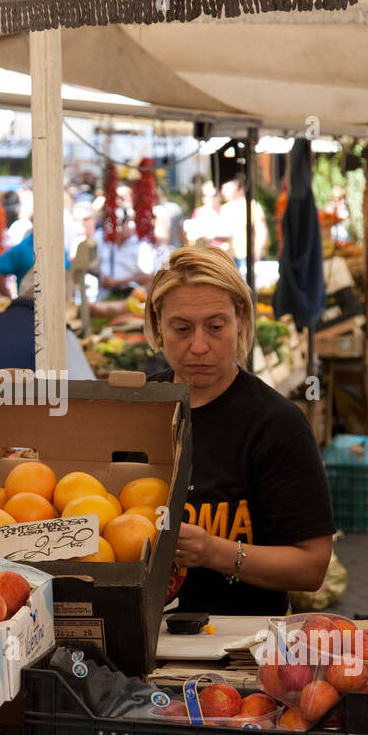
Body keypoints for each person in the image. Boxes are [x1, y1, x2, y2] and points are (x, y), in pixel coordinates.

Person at [143, 246, 334, 615]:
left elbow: (312, 566)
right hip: (140, 645)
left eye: (216, 327)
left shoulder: (277, 425)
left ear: (241, 319)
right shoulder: (137, 410)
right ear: (157, 325)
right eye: (181, 329)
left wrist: (214, 551)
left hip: (244, 652)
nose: (199, 346)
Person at [0, 273, 95, 380]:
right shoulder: (57, 334)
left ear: (23, 290)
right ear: (61, 300)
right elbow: (87, 391)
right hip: (38, 413)